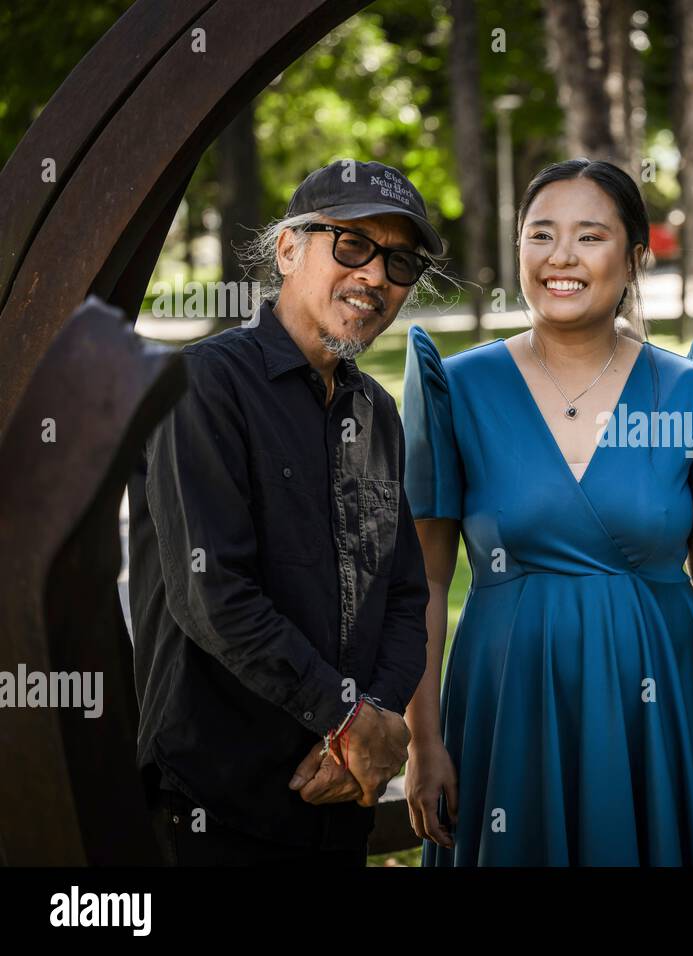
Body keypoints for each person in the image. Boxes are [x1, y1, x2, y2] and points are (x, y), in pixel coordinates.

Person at [400, 158, 693, 866]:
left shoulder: (689, 391)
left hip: (659, 699)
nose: (561, 257)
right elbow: (423, 578)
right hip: (510, 702)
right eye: (541, 234)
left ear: (634, 260)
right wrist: (425, 740)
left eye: (590, 236)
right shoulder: (460, 387)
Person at [128, 159, 437, 865]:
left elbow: (404, 594)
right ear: (289, 249)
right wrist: (349, 719)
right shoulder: (201, 385)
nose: (375, 277)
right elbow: (213, 595)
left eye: (398, 262)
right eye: (352, 245)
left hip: (339, 799)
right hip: (216, 804)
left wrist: (377, 727)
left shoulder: (377, 414)